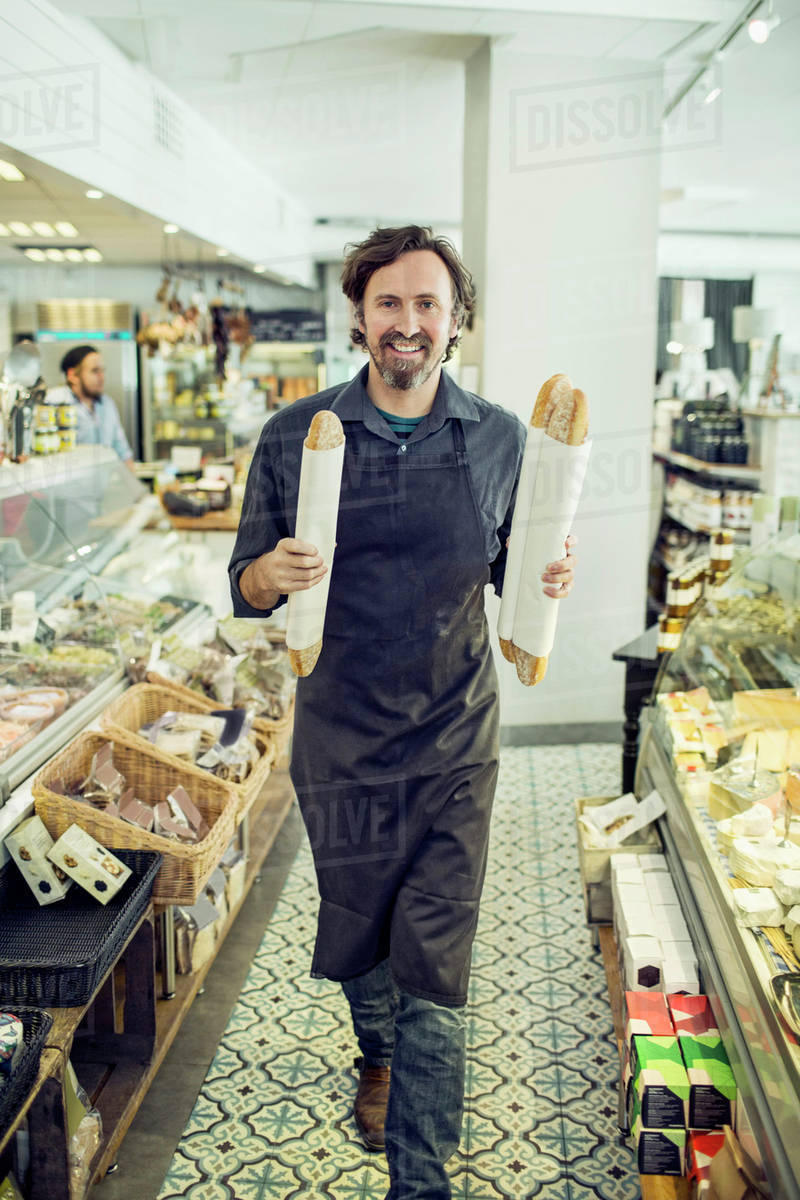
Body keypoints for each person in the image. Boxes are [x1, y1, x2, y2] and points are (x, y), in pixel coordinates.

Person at [228, 225, 577, 1200]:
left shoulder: (501, 437)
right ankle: (371, 1049)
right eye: (389, 303)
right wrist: (268, 569)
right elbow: (243, 587)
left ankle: (418, 1181)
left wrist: (544, 573)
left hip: (455, 738)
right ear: (359, 315)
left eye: (427, 304)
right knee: (362, 940)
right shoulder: (294, 437)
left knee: (434, 967)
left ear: (455, 320)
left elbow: (510, 571)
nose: (408, 323)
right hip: (339, 736)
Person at [46, 345, 135, 469]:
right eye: (94, 371)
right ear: (73, 376)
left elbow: (123, 452)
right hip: (66, 484)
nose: (102, 377)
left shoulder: (107, 404)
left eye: (102, 371)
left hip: (101, 486)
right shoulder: (54, 401)